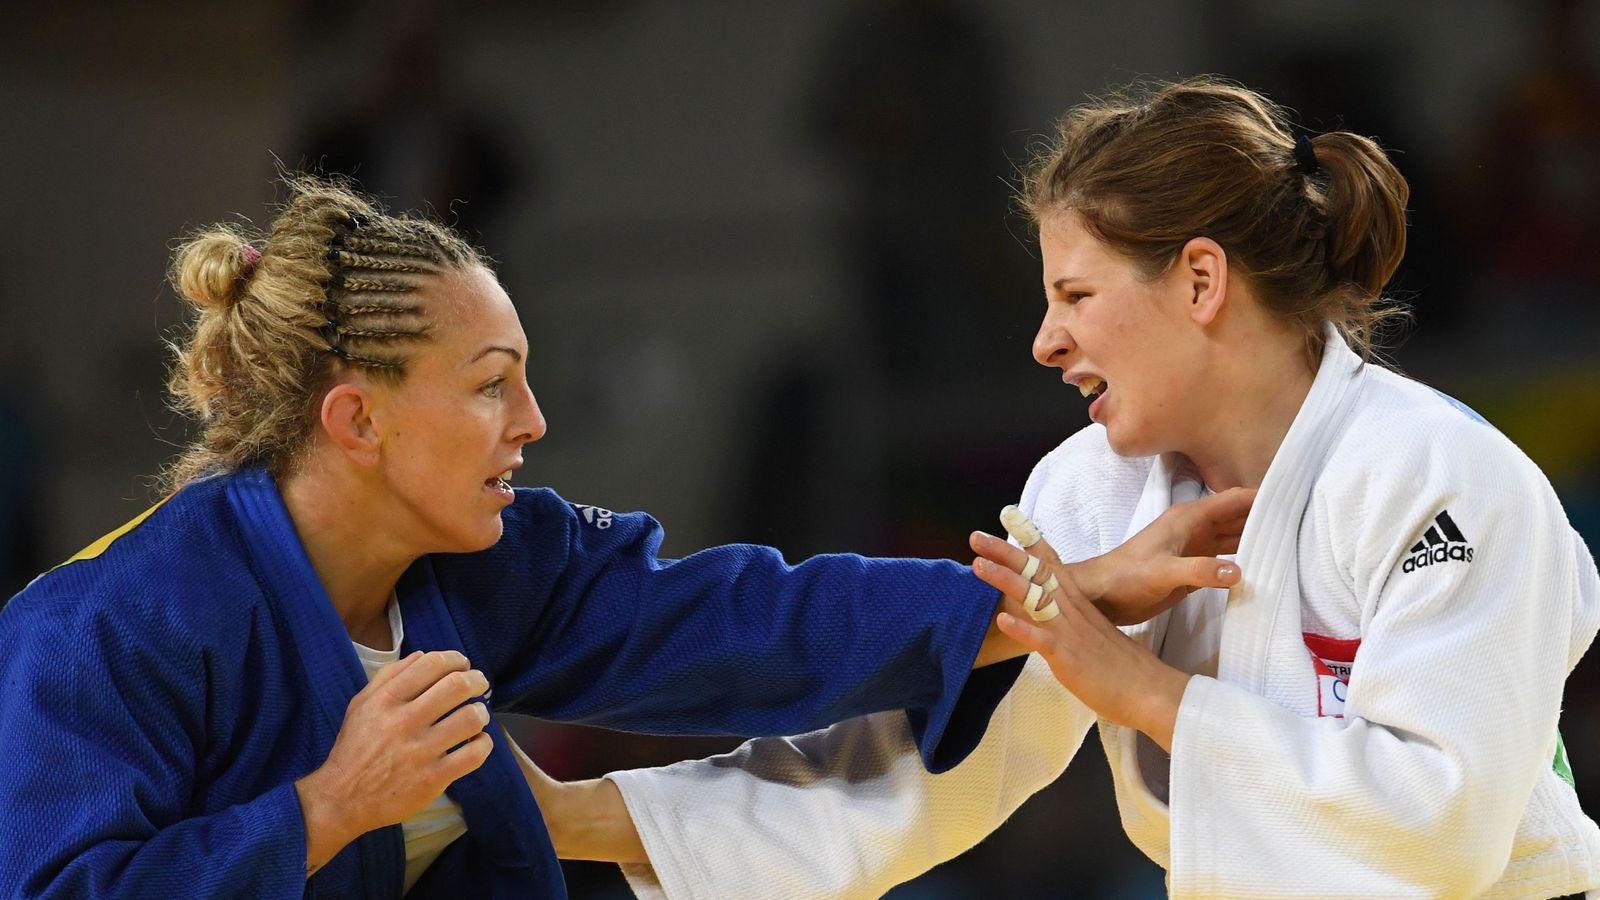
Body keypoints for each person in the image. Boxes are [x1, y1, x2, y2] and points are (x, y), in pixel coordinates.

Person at [0, 176, 1250, 898]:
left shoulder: (489, 562)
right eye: (491, 383)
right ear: (357, 418)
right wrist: (325, 808)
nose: (532, 423)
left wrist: (1065, 596)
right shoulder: (106, 627)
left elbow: (738, 620)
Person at [529, 77, 1600, 898]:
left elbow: (1443, 826)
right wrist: (574, 817)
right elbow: (929, 767)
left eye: (1075, 294)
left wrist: (1143, 691)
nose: (1045, 342)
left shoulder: (1435, 478)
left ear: (1197, 279)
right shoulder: (1092, 491)